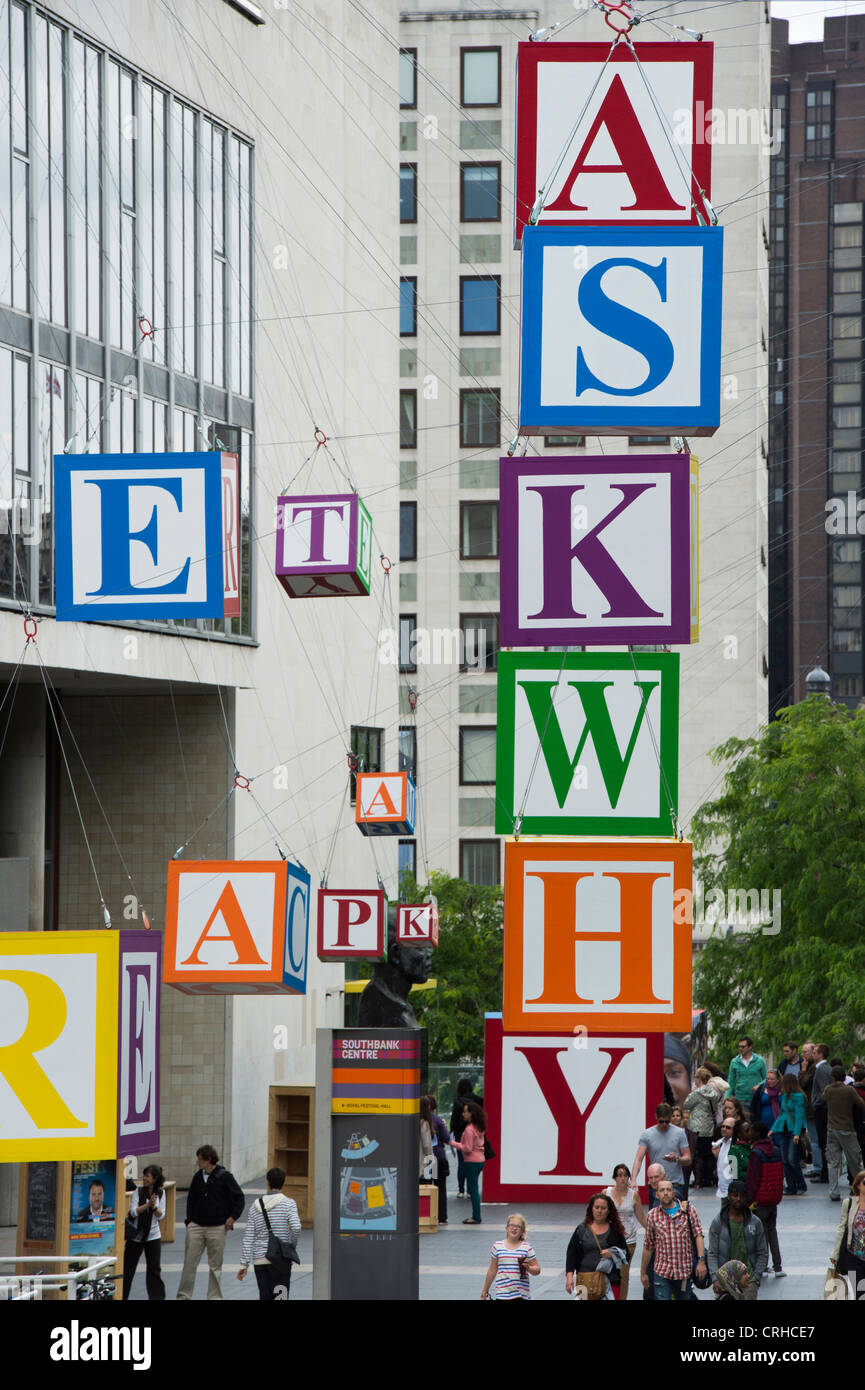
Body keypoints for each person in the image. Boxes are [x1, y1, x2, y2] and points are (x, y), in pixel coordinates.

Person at [176, 1144, 245, 1301]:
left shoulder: (225, 1176)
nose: (197, 1162)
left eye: (200, 1159)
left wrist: (232, 1217)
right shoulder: (197, 1177)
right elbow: (191, 1199)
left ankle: (214, 1297)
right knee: (189, 1264)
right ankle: (183, 1296)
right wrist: (189, 1221)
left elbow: (239, 1197)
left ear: (208, 1160)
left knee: (215, 1266)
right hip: (197, 1226)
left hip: (218, 1227)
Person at [236, 1166, 300, 1300]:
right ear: (283, 1182)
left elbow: (248, 1236)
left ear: (268, 1182)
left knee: (264, 1296)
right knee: (280, 1297)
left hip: (260, 1260)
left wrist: (244, 1264)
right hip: (280, 1260)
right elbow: (296, 1227)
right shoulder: (289, 1204)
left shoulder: (255, 1205)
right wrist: (291, 1246)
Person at [640, 1179, 707, 1301]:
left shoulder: (688, 1210)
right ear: (657, 1194)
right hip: (662, 1272)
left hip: (684, 1272)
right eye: (662, 1190)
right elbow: (648, 1246)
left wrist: (701, 1261)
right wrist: (643, 1272)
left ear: (673, 1193)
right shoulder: (652, 1215)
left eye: (668, 1190)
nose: (665, 1193)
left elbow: (698, 1235)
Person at [707, 1180, 768, 1301]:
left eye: (742, 1196)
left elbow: (763, 1252)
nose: (738, 1199)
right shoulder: (718, 1223)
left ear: (746, 1198)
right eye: (735, 1195)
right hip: (725, 1280)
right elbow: (712, 1253)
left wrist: (756, 1277)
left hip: (748, 1281)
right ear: (729, 1196)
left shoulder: (755, 1222)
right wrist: (715, 1279)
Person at [566, 1194, 629, 1301]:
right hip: (584, 1280)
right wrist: (569, 1277)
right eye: (597, 1207)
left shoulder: (615, 1230)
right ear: (591, 1209)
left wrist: (612, 1253)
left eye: (603, 1208)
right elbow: (572, 1253)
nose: (599, 1211)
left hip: (609, 1281)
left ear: (609, 1211)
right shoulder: (582, 1229)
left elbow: (626, 1254)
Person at [746, 1121, 785, 1278]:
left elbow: (753, 1179)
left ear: (756, 1133)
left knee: (760, 1235)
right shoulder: (775, 1150)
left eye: (751, 1130)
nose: (749, 1133)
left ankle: (762, 1267)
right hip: (773, 1198)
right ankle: (778, 1266)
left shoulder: (756, 1153)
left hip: (759, 1200)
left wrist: (749, 1200)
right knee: (772, 1231)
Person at [122, 1164, 166, 1301]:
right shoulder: (138, 1192)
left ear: (155, 1178)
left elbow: (161, 1215)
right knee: (128, 1269)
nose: (144, 1178)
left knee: (154, 1270)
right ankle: (122, 1296)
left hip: (153, 1236)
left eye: (147, 1176)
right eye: (144, 1175)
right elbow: (133, 1212)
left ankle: (156, 1297)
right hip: (136, 1236)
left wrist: (154, 1206)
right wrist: (147, 1205)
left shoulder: (161, 1193)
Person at [630, 1103, 691, 1199]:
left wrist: (676, 1159)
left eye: (667, 1121)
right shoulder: (647, 1134)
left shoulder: (679, 1133)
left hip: (675, 1183)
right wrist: (633, 1179)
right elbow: (639, 1158)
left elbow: (688, 1158)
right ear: (656, 1117)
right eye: (661, 1121)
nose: (664, 1125)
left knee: (676, 1213)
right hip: (655, 1184)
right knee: (655, 1213)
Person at [823, 1065, 865, 1201]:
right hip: (847, 1128)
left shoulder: (828, 1090)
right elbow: (861, 1104)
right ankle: (860, 1188)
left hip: (831, 1128)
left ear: (832, 1077)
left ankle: (834, 1192)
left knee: (833, 1162)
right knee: (854, 1161)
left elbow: (823, 1099)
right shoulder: (849, 1090)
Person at [605, 1163, 646, 1300]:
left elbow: (641, 1217)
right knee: (607, 1271)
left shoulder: (634, 1195)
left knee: (623, 1274)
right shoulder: (606, 1193)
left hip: (628, 1241)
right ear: (614, 1178)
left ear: (629, 1177)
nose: (622, 1178)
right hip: (609, 1239)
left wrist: (654, 1232)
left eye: (625, 1175)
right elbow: (596, 1212)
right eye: (619, 1175)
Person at [481, 1214, 540, 1301]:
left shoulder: (526, 1247)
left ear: (522, 1231)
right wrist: (485, 1289)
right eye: (512, 1225)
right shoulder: (497, 1246)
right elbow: (492, 1270)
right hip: (502, 1294)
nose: (514, 1228)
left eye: (518, 1226)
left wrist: (528, 1268)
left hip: (521, 1295)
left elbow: (537, 1270)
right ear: (506, 1228)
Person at [829, 1168, 865, 1297]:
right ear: (858, 1185)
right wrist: (835, 1253)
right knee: (860, 1293)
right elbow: (842, 1228)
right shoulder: (849, 1203)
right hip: (853, 1256)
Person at [770, 1073, 807, 1195]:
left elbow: (799, 1115)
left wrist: (796, 1133)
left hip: (792, 1131)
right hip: (783, 1129)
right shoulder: (785, 1096)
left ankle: (801, 1184)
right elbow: (781, 1114)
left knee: (792, 1159)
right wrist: (773, 1129)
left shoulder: (798, 1096)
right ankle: (791, 1186)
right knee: (785, 1160)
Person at [449, 1100, 486, 1224]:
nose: (463, 1114)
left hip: (472, 1161)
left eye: (465, 1112)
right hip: (480, 1159)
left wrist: (453, 1143)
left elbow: (467, 1148)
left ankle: (476, 1216)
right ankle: (476, 1215)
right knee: (473, 1188)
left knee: (473, 1189)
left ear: (471, 1113)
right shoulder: (479, 1127)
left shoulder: (469, 1129)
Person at [684, 1068, 720, 1189]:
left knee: (697, 1154)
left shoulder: (696, 1093)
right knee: (708, 1153)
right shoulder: (714, 1093)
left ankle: (697, 1180)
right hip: (709, 1126)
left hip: (696, 1127)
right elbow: (715, 1109)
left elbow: (686, 1105)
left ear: (699, 1079)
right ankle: (708, 1178)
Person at [450, 1078, 483, 1199]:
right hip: (475, 1134)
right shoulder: (478, 1100)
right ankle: (470, 1190)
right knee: (473, 1162)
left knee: (462, 1163)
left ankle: (461, 1190)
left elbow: (453, 1119)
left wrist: (452, 1131)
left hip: (460, 1135)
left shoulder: (457, 1100)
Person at [427, 1094, 451, 1225]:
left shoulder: (419, 1121)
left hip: (427, 1159)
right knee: (440, 1187)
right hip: (440, 1157)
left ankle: (427, 1213)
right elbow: (447, 1138)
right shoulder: (438, 1120)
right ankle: (442, 1217)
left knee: (426, 1185)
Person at [799, 1043, 822, 1178]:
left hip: (812, 1108)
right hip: (809, 1107)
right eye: (802, 1052)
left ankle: (818, 1167)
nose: (804, 1055)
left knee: (815, 1139)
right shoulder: (811, 1067)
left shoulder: (813, 1068)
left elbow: (802, 1083)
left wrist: (802, 1070)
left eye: (806, 1052)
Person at [811, 1044, 834, 1183]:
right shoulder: (825, 1069)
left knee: (823, 1141)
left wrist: (816, 1104)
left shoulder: (821, 1069)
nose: (812, 1054)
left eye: (814, 1052)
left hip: (822, 1111)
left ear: (820, 1054)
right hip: (824, 1109)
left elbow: (824, 1092)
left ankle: (825, 1174)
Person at [727, 1035, 767, 1107]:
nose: (740, 1048)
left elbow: (766, 1078)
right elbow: (731, 1083)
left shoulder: (759, 1061)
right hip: (740, 1099)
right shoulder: (734, 1062)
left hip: (755, 1098)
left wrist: (759, 1085)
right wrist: (726, 1099)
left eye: (743, 1047)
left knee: (755, 1118)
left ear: (750, 1047)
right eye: (739, 1046)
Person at [713, 1116, 736, 1199]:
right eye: (723, 1126)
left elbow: (735, 1169)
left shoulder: (735, 1145)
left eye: (728, 1127)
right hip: (722, 1190)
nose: (724, 1129)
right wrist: (717, 1156)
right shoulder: (720, 1143)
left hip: (732, 1192)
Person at [671, 1106, 692, 1192]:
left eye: (678, 1115)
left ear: (681, 1118)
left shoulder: (688, 1133)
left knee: (683, 1192)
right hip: (671, 1166)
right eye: (673, 1115)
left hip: (684, 1166)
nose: (675, 1118)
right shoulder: (666, 1132)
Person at [727, 1119, 753, 1185]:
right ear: (739, 1134)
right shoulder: (733, 1150)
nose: (751, 1132)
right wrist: (755, 1174)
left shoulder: (756, 1147)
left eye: (752, 1129)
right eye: (747, 1130)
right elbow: (736, 1175)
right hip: (743, 1188)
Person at [419, 1095, 436, 1184]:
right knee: (427, 1187)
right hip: (424, 1162)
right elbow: (426, 1145)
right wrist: (431, 1158)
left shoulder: (413, 1121)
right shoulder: (424, 1123)